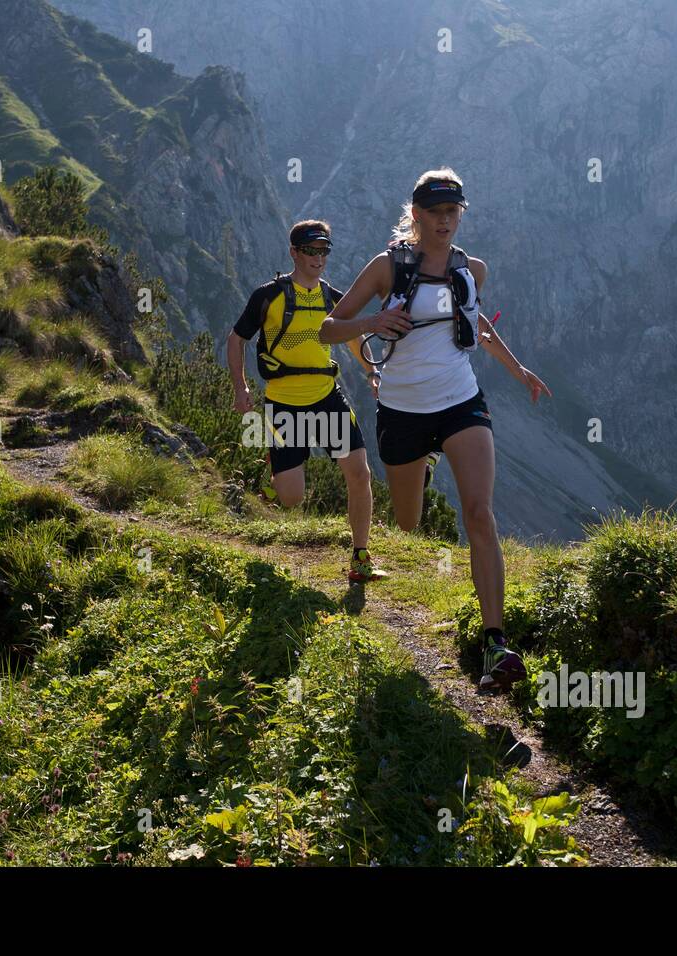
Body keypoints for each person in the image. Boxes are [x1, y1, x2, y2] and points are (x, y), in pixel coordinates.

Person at [319, 169, 552, 689]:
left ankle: (495, 644)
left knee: (479, 513)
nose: (447, 223)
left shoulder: (473, 270)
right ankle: (422, 464)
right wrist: (372, 324)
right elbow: (328, 328)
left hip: (459, 402)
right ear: (417, 216)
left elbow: (477, 325)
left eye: (455, 214)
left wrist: (519, 370)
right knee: (407, 523)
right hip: (401, 409)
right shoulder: (387, 267)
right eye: (437, 214)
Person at [227, 220, 387, 583]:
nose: (319, 258)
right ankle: (275, 471)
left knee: (359, 473)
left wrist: (370, 372)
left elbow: (349, 335)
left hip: (326, 397)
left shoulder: (332, 296)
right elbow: (236, 339)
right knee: (291, 498)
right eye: (312, 250)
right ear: (294, 252)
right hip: (283, 404)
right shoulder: (268, 295)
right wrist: (241, 388)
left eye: (324, 251)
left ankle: (360, 558)